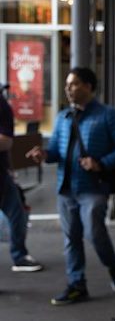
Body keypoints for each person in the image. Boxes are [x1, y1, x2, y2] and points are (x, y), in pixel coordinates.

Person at [26, 67, 115, 305]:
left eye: (73, 84)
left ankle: (112, 264)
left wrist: (101, 163)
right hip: (66, 188)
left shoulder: (107, 115)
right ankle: (77, 285)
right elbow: (55, 150)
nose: (68, 89)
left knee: (94, 233)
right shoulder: (63, 117)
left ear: (88, 86)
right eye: (67, 85)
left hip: (93, 187)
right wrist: (44, 154)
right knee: (71, 238)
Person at [0, 91, 43, 273]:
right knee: (16, 212)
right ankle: (19, 256)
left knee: (16, 212)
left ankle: (19, 256)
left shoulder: (2, 106)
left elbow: (6, 142)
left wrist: (9, 169)